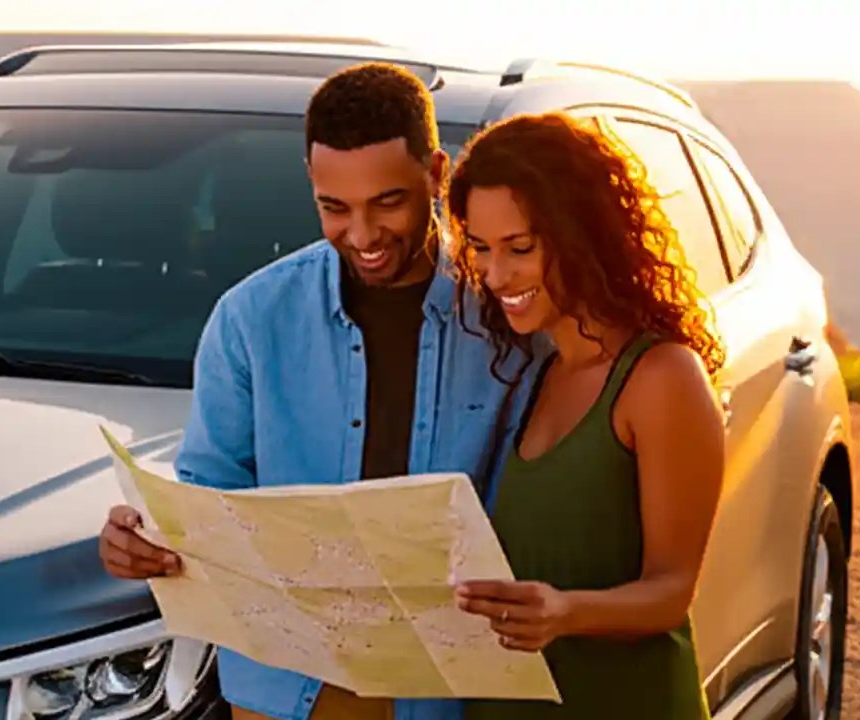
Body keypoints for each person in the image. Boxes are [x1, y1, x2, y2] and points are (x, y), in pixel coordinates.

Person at [97, 62, 538, 720]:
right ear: (311, 185)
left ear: (438, 175)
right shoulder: (251, 319)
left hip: (455, 687)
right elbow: (209, 502)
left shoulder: (510, 318)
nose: (361, 236)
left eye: (387, 202)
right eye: (335, 208)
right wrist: (143, 540)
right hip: (288, 689)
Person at [443, 112, 728, 719]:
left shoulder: (660, 379)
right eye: (482, 249)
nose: (496, 276)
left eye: (520, 248)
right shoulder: (534, 375)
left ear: (583, 233)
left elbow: (672, 592)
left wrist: (566, 612)